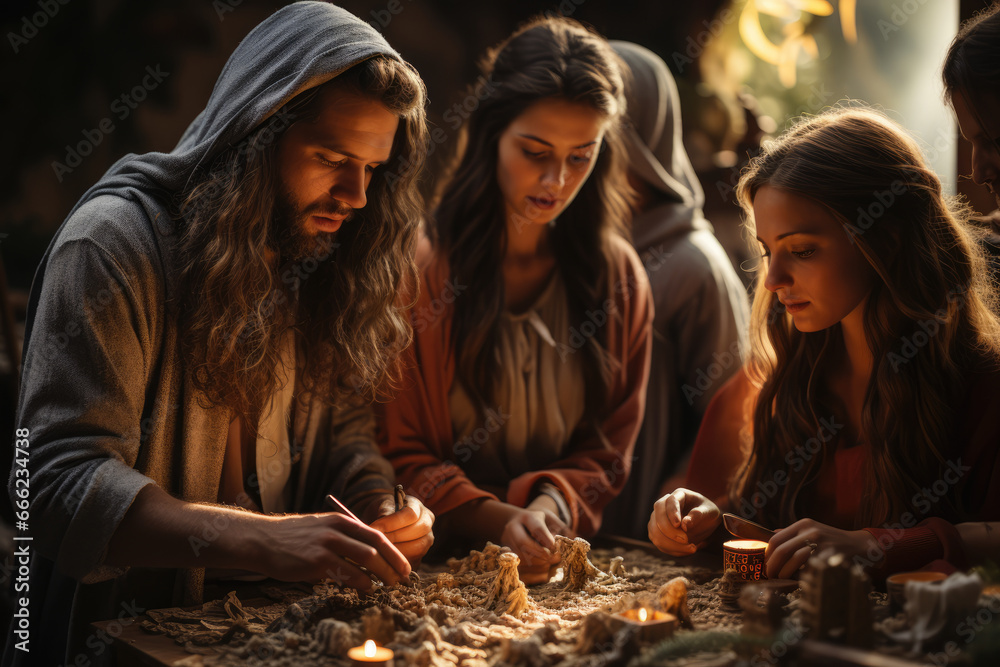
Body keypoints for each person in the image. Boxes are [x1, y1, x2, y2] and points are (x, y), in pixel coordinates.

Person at [7, 4, 435, 664]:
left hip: (273, 637)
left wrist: (379, 505)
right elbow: (54, 488)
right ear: (253, 134)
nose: (355, 195)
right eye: (331, 157)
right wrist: (266, 539)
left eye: (373, 168)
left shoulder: (320, 257)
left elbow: (345, 432)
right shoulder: (112, 247)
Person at [647, 107, 1000, 581]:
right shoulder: (792, 377)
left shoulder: (982, 386)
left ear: (887, 239)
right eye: (769, 250)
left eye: (803, 250)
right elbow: (783, 539)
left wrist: (879, 547)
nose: (772, 280)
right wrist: (713, 525)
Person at [379, 16, 653, 584]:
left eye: (581, 156)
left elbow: (608, 450)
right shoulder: (421, 271)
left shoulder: (617, 280)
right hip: (434, 571)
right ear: (490, 135)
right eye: (534, 151)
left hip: (556, 566)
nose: (556, 180)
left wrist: (550, 509)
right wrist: (497, 519)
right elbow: (397, 448)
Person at [600, 41, 749, 540]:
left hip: (648, 547)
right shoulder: (583, 253)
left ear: (642, 140)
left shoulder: (693, 266)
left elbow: (729, 419)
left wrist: (673, 518)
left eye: (596, 134)